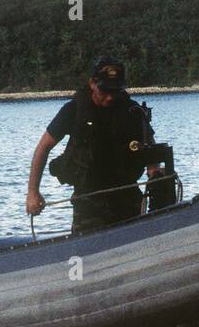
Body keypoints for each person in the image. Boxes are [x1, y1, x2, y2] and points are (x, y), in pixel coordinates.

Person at [26, 56, 157, 233]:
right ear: (92, 84)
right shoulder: (73, 110)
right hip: (88, 198)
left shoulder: (132, 111)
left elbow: (150, 146)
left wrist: (154, 171)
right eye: (105, 90)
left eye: (116, 90)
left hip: (126, 194)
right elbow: (43, 147)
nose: (110, 97)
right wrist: (33, 192)